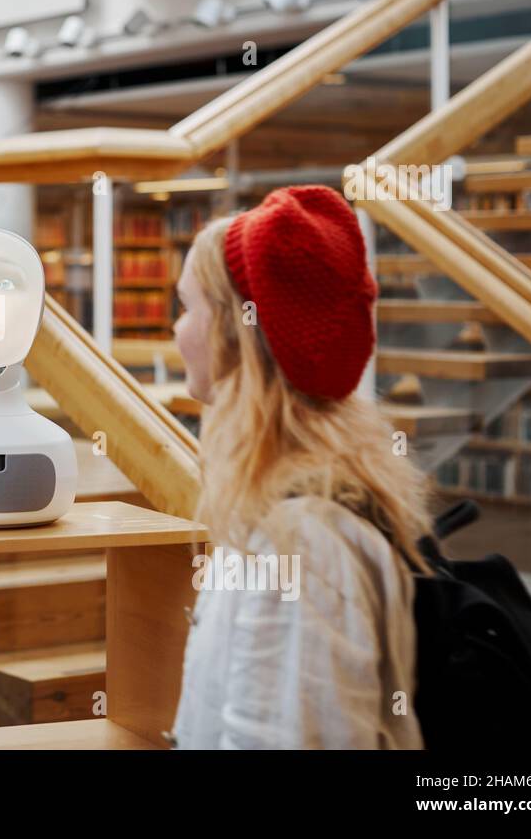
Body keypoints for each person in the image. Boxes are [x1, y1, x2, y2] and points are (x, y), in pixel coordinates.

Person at [169, 185, 430, 749]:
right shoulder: (280, 515)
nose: (176, 330)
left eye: (187, 308)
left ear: (237, 335)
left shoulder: (302, 548)